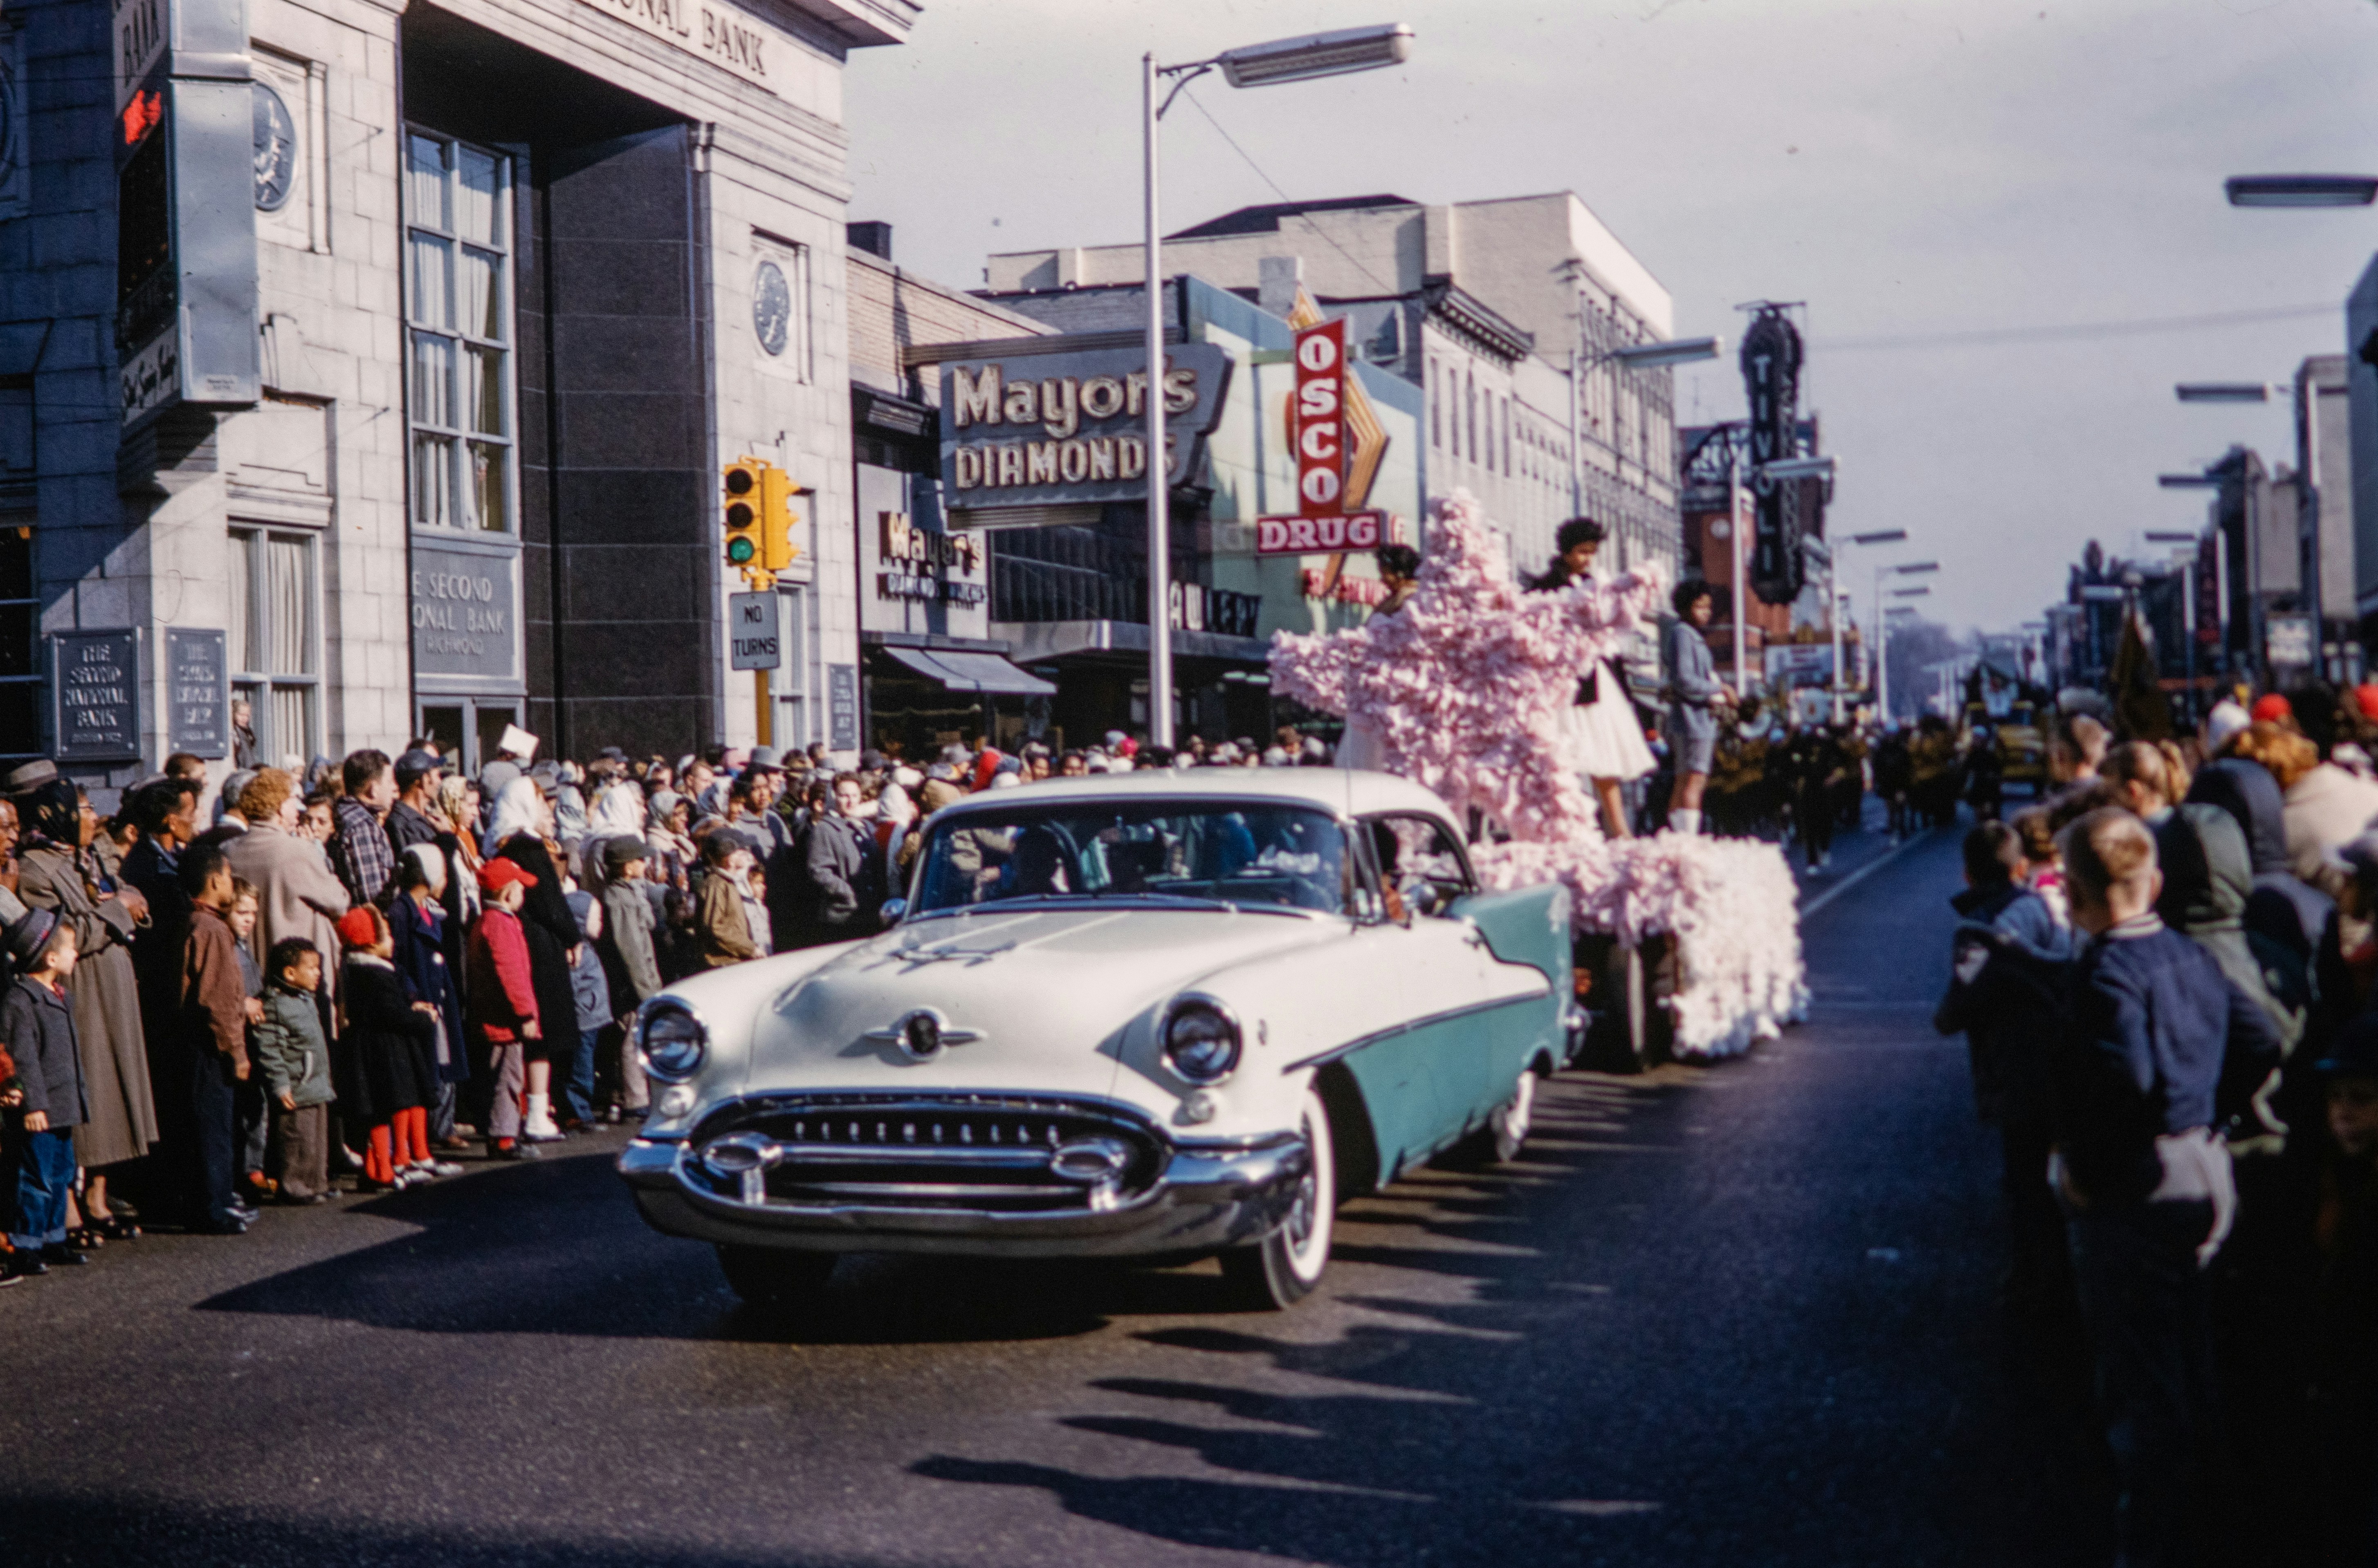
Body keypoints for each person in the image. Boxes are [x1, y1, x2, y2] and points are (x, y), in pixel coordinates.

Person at [2050, 807, 2282, 1568]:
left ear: (2074, 895)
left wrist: (2085, 1170)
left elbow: (2124, 1080)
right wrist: (2207, 1108)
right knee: (2196, 1353)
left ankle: (2153, 1544)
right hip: (2204, 1164)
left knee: (2141, 1383)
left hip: (2137, 1182)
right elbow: (2259, 1037)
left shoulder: (2100, 973)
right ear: (2152, 882)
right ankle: (2219, 1527)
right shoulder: (2191, 953)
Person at [1935, 821, 2074, 1321]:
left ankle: (2033, 1280)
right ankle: (2061, 1272)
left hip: (2009, 1067)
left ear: (1968, 875)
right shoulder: (2044, 910)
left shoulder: (1979, 932)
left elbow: (1956, 1007)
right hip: (2058, 1056)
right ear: (2020, 869)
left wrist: (1948, 1013)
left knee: (2023, 1178)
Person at [13, 780, 155, 1241]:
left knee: (116, 1089)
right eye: (85, 808)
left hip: (114, 986)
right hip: (81, 989)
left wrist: (125, 901)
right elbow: (62, 933)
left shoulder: (87, 856)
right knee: (86, 1087)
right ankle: (69, 1208)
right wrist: (118, 911)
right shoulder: (36, 868)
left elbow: (121, 895)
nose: (93, 816)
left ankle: (98, 1195)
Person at [1525, 518, 1656, 839]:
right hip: (1561, 683)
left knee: (1604, 757)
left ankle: (1618, 829)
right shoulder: (1545, 587)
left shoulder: (1594, 585)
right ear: (1566, 550)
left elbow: (1610, 635)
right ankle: (1568, 831)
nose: (1587, 559)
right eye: (1582, 552)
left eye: (1591, 552)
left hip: (1595, 677)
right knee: (1561, 763)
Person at [485, 778, 579, 1143]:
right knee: (544, 1032)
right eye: (541, 804)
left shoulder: (501, 845)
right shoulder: (530, 846)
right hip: (541, 946)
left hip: (523, 938)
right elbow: (552, 902)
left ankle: (526, 1111)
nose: (548, 812)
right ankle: (539, 1113)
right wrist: (573, 936)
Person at [172, 841, 256, 1234]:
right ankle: (215, 1206)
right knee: (214, 1128)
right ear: (214, 881)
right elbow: (219, 1000)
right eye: (226, 874)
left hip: (194, 1042)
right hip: (212, 1045)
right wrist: (237, 1052)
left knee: (205, 1125)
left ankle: (211, 1201)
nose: (231, 881)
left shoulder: (193, 922)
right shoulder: (213, 929)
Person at [336, 904, 445, 1191]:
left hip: (370, 1047)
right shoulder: (376, 976)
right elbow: (391, 1014)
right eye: (387, 935)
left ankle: (378, 1169)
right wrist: (423, 1019)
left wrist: (411, 1008)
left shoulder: (357, 971)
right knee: (383, 1107)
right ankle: (382, 1170)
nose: (393, 940)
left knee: (379, 1110)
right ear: (371, 943)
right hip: (383, 1050)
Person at [3, 910, 87, 1279]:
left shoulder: (60, 996)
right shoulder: (23, 1001)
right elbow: (23, 1059)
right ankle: (26, 1243)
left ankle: (54, 1237)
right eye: (71, 948)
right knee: (36, 1176)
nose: (76, 954)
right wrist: (33, 1104)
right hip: (42, 1107)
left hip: (63, 1104)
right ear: (51, 958)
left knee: (61, 1173)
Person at [388, 845, 467, 1147]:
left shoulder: (431, 912)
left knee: (444, 1056)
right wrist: (411, 993)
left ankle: (443, 1126)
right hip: (421, 994)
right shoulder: (401, 913)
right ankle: (427, 1135)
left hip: (438, 994)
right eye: (443, 874)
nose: (446, 882)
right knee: (428, 1060)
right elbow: (396, 960)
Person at [465, 858, 541, 1161]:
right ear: (508, 893)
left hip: (495, 1015)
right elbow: (511, 974)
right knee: (508, 1078)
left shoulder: (487, 921)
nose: (524, 894)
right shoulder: (500, 925)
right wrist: (526, 1013)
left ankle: (504, 1132)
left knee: (503, 1075)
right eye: (520, 888)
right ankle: (504, 1138)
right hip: (504, 1019)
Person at [251, 938, 333, 1205]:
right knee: (297, 1139)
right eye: (311, 968)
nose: (318, 973)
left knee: (316, 1140)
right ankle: (295, 1187)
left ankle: (316, 1183)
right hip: (297, 1085)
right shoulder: (276, 1004)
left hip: (315, 1082)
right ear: (290, 973)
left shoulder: (305, 999)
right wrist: (281, 1084)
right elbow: (269, 1049)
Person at [595, 837, 660, 1121]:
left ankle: (636, 1094)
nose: (645, 864)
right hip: (630, 984)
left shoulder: (630, 893)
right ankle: (635, 1099)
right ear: (626, 867)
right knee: (631, 1039)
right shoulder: (618, 899)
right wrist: (645, 989)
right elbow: (630, 948)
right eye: (639, 860)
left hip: (638, 980)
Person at [1663, 579, 1731, 836]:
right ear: (1685, 607)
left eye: (1708, 607)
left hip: (1688, 720)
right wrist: (1719, 689)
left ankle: (1678, 838)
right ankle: (1689, 840)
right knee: (1695, 780)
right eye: (1699, 607)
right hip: (1695, 720)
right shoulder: (1684, 635)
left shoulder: (1685, 635)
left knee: (1683, 781)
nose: (1706, 613)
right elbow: (1685, 679)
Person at [562, 890, 610, 1131]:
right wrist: (583, 1007)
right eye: (596, 918)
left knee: (586, 1062)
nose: (600, 923)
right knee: (581, 1066)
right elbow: (573, 985)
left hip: (593, 1015)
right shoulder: (575, 954)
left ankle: (582, 1109)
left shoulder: (587, 948)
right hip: (585, 1016)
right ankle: (579, 1112)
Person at [328, 749, 397, 910]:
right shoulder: (362, 826)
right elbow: (373, 896)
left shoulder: (340, 814)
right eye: (390, 782)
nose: (394, 788)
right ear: (373, 789)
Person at [695, 831, 768, 967]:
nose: (749, 856)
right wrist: (751, 949)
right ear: (729, 859)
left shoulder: (727, 883)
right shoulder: (716, 884)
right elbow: (715, 928)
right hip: (722, 965)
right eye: (743, 852)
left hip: (733, 962)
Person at [384, 749, 445, 865]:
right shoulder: (405, 824)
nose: (440, 782)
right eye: (437, 776)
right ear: (425, 780)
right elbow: (428, 868)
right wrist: (446, 836)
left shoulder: (423, 818)